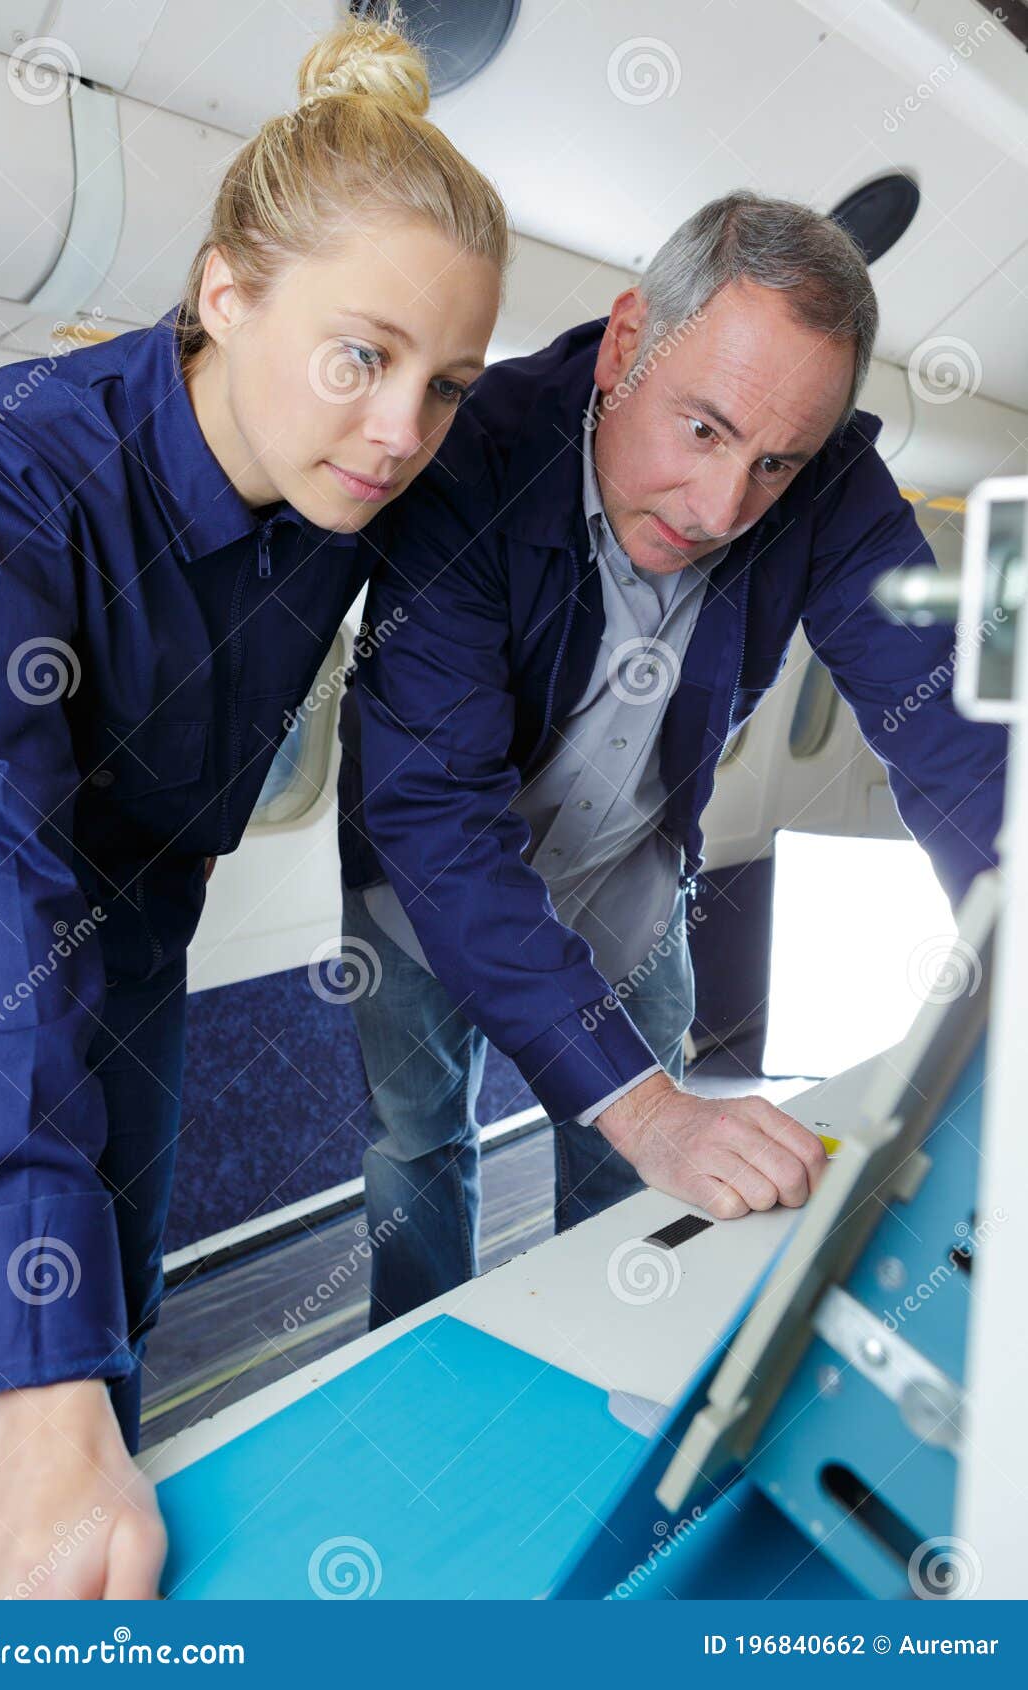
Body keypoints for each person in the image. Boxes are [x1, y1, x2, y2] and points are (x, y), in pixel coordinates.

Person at [0, 13, 506, 1599]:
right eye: (363, 353)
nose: (402, 431)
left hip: (135, 964)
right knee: (33, 1378)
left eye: (446, 382)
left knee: (98, 1366)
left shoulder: (351, 479)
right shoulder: (10, 484)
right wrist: (42, 1393)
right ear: (224, 295)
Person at [338, 190, 1007, 1328]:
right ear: (622, 344)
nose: (719, 506)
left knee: (625, 1177)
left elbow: (940, 731)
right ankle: (415, 1349)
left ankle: (614, 1346)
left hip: (631, 880)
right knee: (417, 1136)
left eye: (773, 464)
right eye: (702, 429)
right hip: (424, 889)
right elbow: (438, 814)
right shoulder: (472, 454)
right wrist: (640, 1107)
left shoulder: (829, 487)